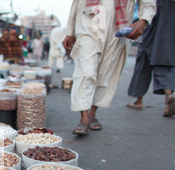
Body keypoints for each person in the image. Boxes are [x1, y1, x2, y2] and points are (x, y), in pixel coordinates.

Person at [63, 0, 156, 136]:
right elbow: (76, 3)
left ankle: (92, 113)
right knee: (86, 71)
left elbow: (148, 2)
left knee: (105, 73)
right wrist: (70, 32)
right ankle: (84, 117)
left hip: (118, 26)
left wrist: (143, 20)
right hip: (89, 21)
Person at [126, 0, 175, 117]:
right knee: (165, 58)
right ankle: (168, 99)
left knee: (143, 58)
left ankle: (139, 100)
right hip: (170, 24)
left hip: (153, 18)